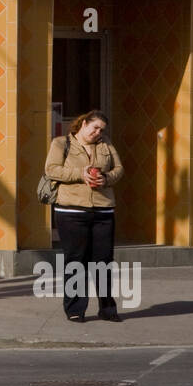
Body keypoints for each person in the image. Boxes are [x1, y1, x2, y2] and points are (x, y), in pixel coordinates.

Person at [44, 110, 125, 323]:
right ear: (83, 123)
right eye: (94, 127)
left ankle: (107, 309)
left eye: (101, 130)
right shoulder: (61, 143)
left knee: (104, 261)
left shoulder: (105, 144)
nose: (97, 133)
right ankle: (75, 309)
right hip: (71, 210)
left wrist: (105, 179)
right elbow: (52, 170)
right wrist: (81, 174)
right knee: (75, 260)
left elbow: (119, 169)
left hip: (103, 210)